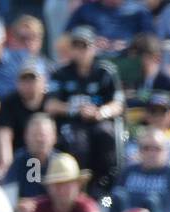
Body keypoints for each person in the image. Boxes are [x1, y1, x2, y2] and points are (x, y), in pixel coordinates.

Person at [45, 25, 124, 196]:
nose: (80, 51)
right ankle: (77, 187)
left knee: (106, 134)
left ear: (94, 47)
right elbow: (51, 105)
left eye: (85, 46)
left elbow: (118, 104)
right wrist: (75, 109)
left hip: (100, 122)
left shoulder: (105, 72)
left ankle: (105, 187)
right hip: (72, 123)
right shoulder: (60, 73)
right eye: (76, 46)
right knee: (76, 141)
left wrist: (100, 112)